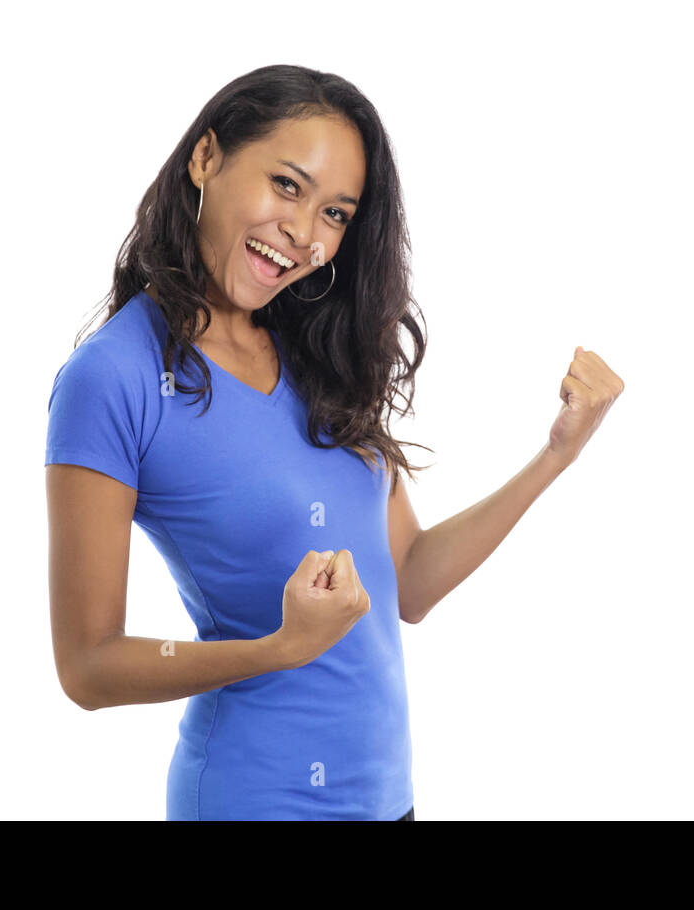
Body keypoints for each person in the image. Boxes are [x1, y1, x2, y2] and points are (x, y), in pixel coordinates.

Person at [44, 64, 624, 820]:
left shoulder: (318, 355)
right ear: (206, 158)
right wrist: (278, 648)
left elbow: (408, 580)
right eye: (286, 185)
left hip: (386, 801)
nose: (304, 232)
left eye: (336, 214)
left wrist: (556, 454)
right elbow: (88, 666)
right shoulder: (113, 377)